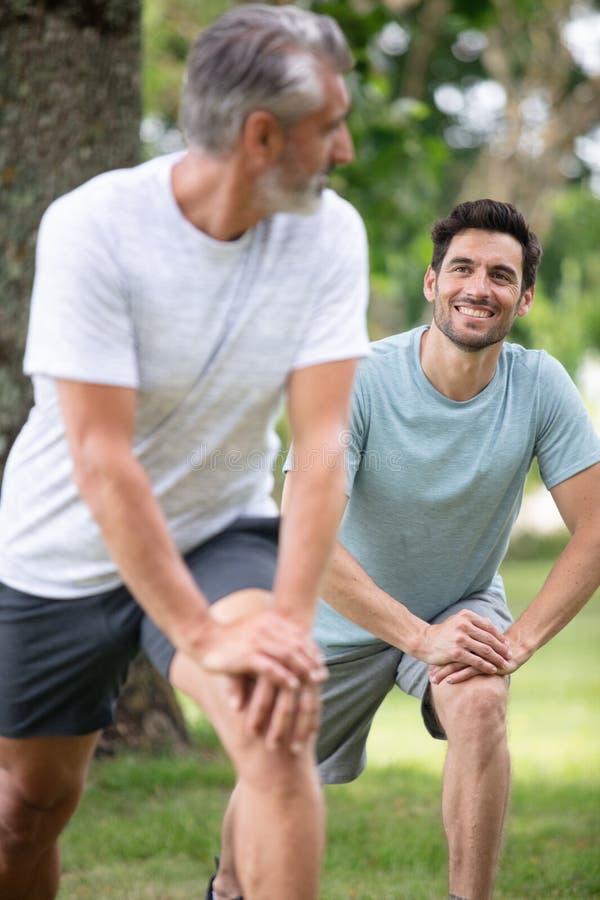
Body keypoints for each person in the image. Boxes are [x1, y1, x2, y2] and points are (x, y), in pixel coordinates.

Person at [0, 6, 372, 899]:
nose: (346, 150)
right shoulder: (94, 227)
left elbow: (322, 442)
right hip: (63, 549)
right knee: (27, 809)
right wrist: (196, 631)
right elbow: (101, 457)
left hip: (217, 530)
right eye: (330, 127)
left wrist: (283, 622)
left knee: (277, 727)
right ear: (259, 135)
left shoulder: (329, 232)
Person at [211, 198, 600, 900]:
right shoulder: (355, 378)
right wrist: (419, 638)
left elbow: (597, 528)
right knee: (270, 777)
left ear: (526, 297)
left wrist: (518, 642)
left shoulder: (539, 384)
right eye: (463, 268)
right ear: (432, 283)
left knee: (482, 705)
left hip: (459, 603)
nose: (479, 287)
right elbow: (307, 534)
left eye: (501, 276)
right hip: (337, 611)